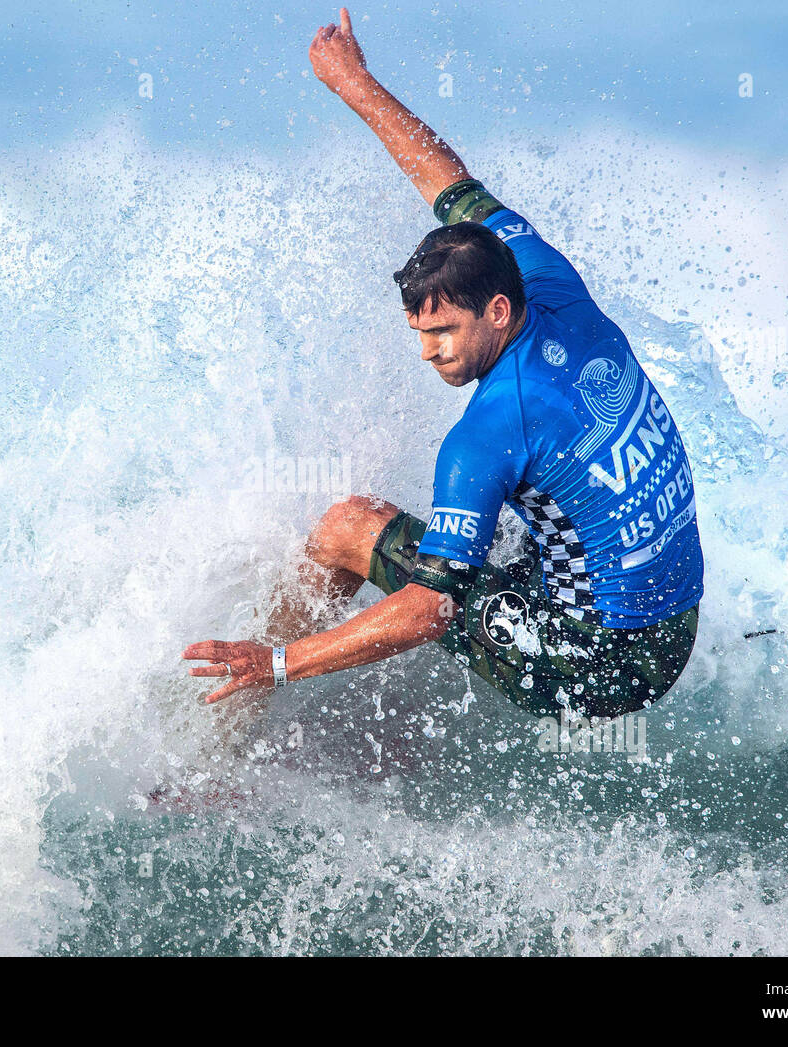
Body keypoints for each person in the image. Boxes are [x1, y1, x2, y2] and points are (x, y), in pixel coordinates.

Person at [183, 8, 704, 723]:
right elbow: (451, 184)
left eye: (446, 332)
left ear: (494, 309)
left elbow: (431, 611)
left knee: (349, 527)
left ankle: (227, 735)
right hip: (676, 620)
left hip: (608, 665)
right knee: (498, 522)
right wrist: (353, 82)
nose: (431, 353)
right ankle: (394, 730)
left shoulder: (489, 430)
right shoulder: (544, 277)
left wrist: (277, 663)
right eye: (419, 334)